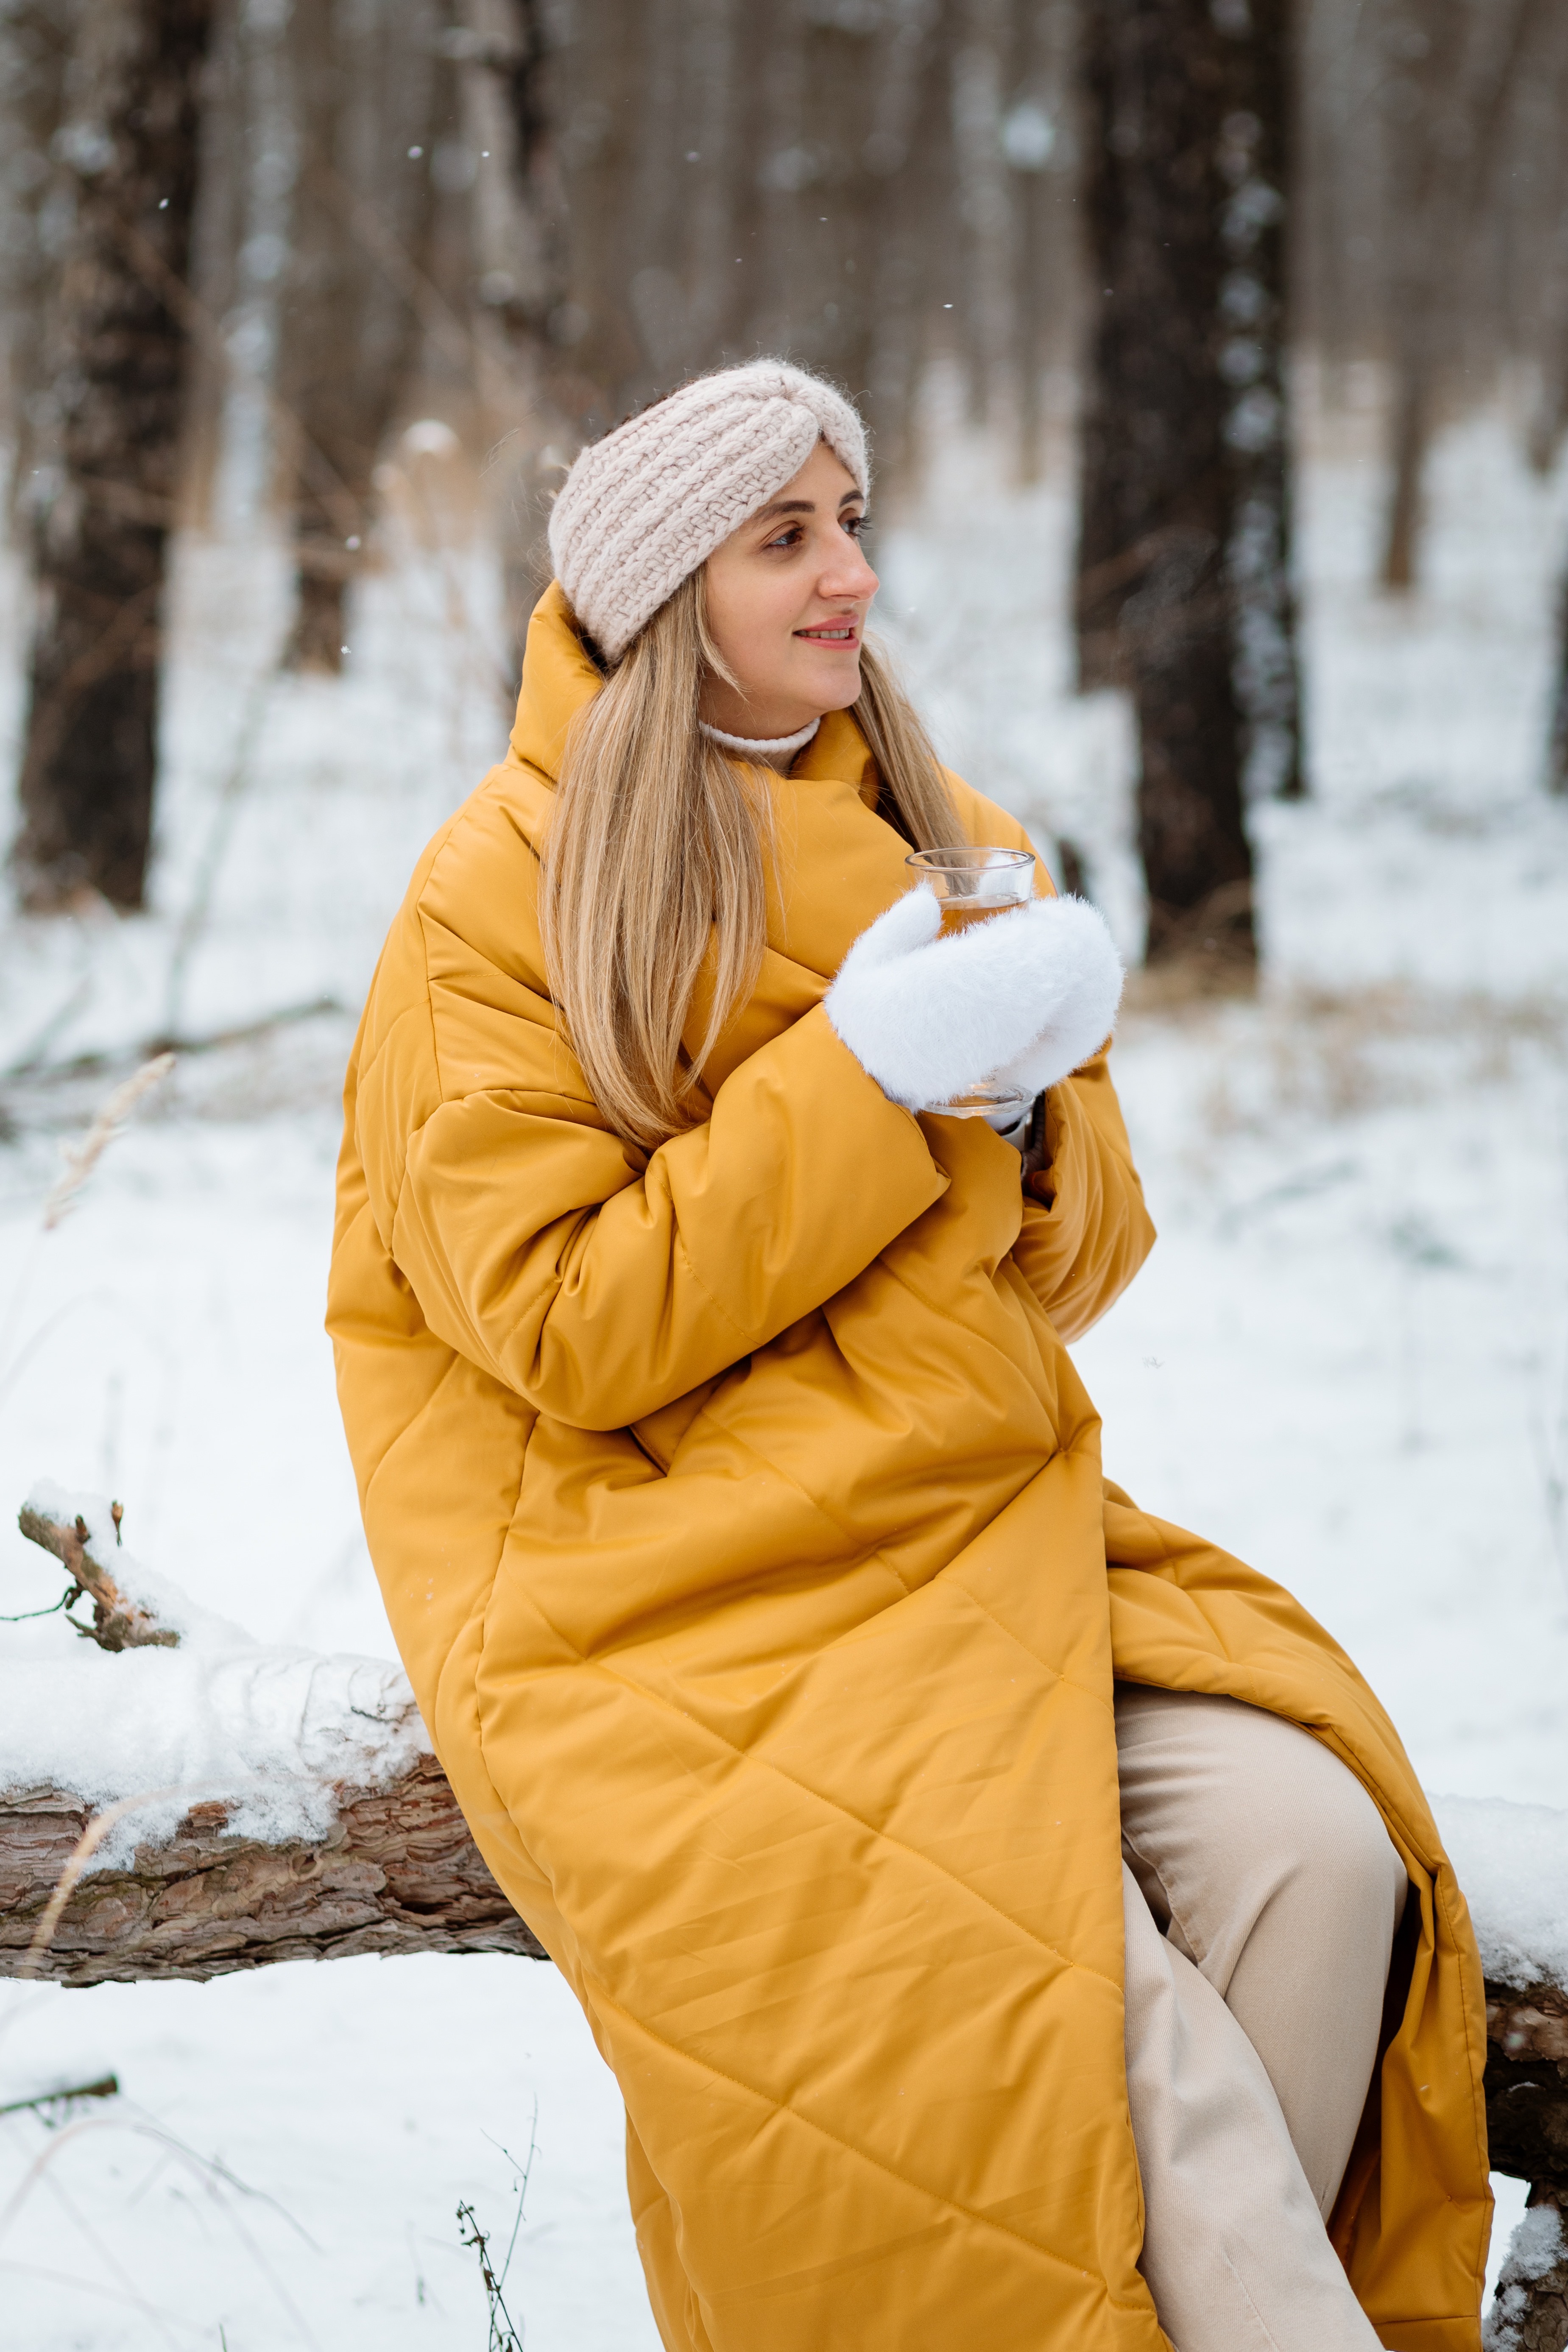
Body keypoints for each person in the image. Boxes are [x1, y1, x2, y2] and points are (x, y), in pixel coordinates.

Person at [328, 360, 1489, 2352]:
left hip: (967, 1540)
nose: (850, 574)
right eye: (787, 537)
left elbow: (1077, 1262)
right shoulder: (496, 897)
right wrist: (862, 1083)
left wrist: (1030, 1115)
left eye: (848, 523)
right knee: (1097, 2038)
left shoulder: (946, 836)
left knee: (1312, 1849)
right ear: (673, 584)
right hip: (670, 1592)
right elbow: (568, 1330)